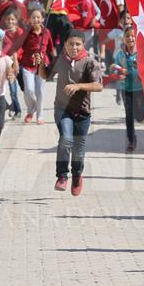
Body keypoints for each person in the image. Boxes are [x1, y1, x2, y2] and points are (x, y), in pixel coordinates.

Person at [40, 31, 103, 196]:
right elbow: (46, 75)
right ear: (65, 45)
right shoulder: (60, 59)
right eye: (70, 44)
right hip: (62, 109)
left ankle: (77, 175)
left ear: (83, 45)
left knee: (78, 149)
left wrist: (79, 86)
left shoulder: (90, 61)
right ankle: (62, 176)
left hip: (82, 112)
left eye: (77, 44)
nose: (74, 47)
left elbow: (99, 86)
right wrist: (40, 64)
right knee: (66, 139)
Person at [20, 8, 55, 125]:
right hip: (27, 65)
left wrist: (54, 63)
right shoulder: (25, 33)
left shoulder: (47, 32)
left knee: (40, 91)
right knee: (29, 90)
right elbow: (19, 48)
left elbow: (51, 49)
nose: (36, 19)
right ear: (29, 20)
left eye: (38, 17)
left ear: (42, 19)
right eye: (33, 17)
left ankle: (39, 116)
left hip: (41, 65)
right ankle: (31, 110)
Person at [112, 27, 144, 152]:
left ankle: (140, 114)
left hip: (139, 88)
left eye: (133, 36)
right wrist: (117, 71)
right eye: (128, 36)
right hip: (125, 88)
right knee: (129, 115)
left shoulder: (141, 53)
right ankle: (131, 140)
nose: (130, 38)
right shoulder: (120, 54)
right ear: (124, 39)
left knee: (140, 116)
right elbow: (115, 67)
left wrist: (131, 72)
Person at [1, 12, 24, 119]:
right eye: (8, 19)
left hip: (19, 63)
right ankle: (16, 109)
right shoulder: (3, 33)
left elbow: (20, 48)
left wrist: (15, 60)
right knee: (12, 89)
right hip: (7, 64)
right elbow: (1, 48)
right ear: (5, 21)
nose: (10, 22)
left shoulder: (20, 32)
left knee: (23, 89)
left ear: (16, 21)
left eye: (13, 19)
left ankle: (16, 108)